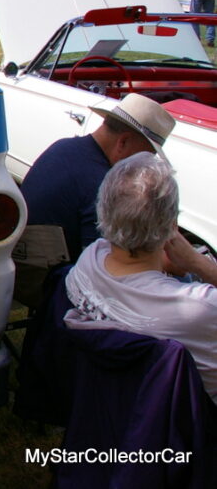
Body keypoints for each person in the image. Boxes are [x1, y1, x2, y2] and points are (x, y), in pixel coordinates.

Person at [65, 152, 217, 401]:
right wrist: (199, 264)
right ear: (171, 225)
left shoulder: (88, 262)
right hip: (188, 423)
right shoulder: (202, 308)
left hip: (109, 405)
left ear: (103, 210)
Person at [20, 93, 176, 261]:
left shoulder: (65, 146)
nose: (145, 163)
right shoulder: (103, 183)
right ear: (123, 142)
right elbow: (103, 264)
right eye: (146, 154)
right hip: (43, 277)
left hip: (21, 259)